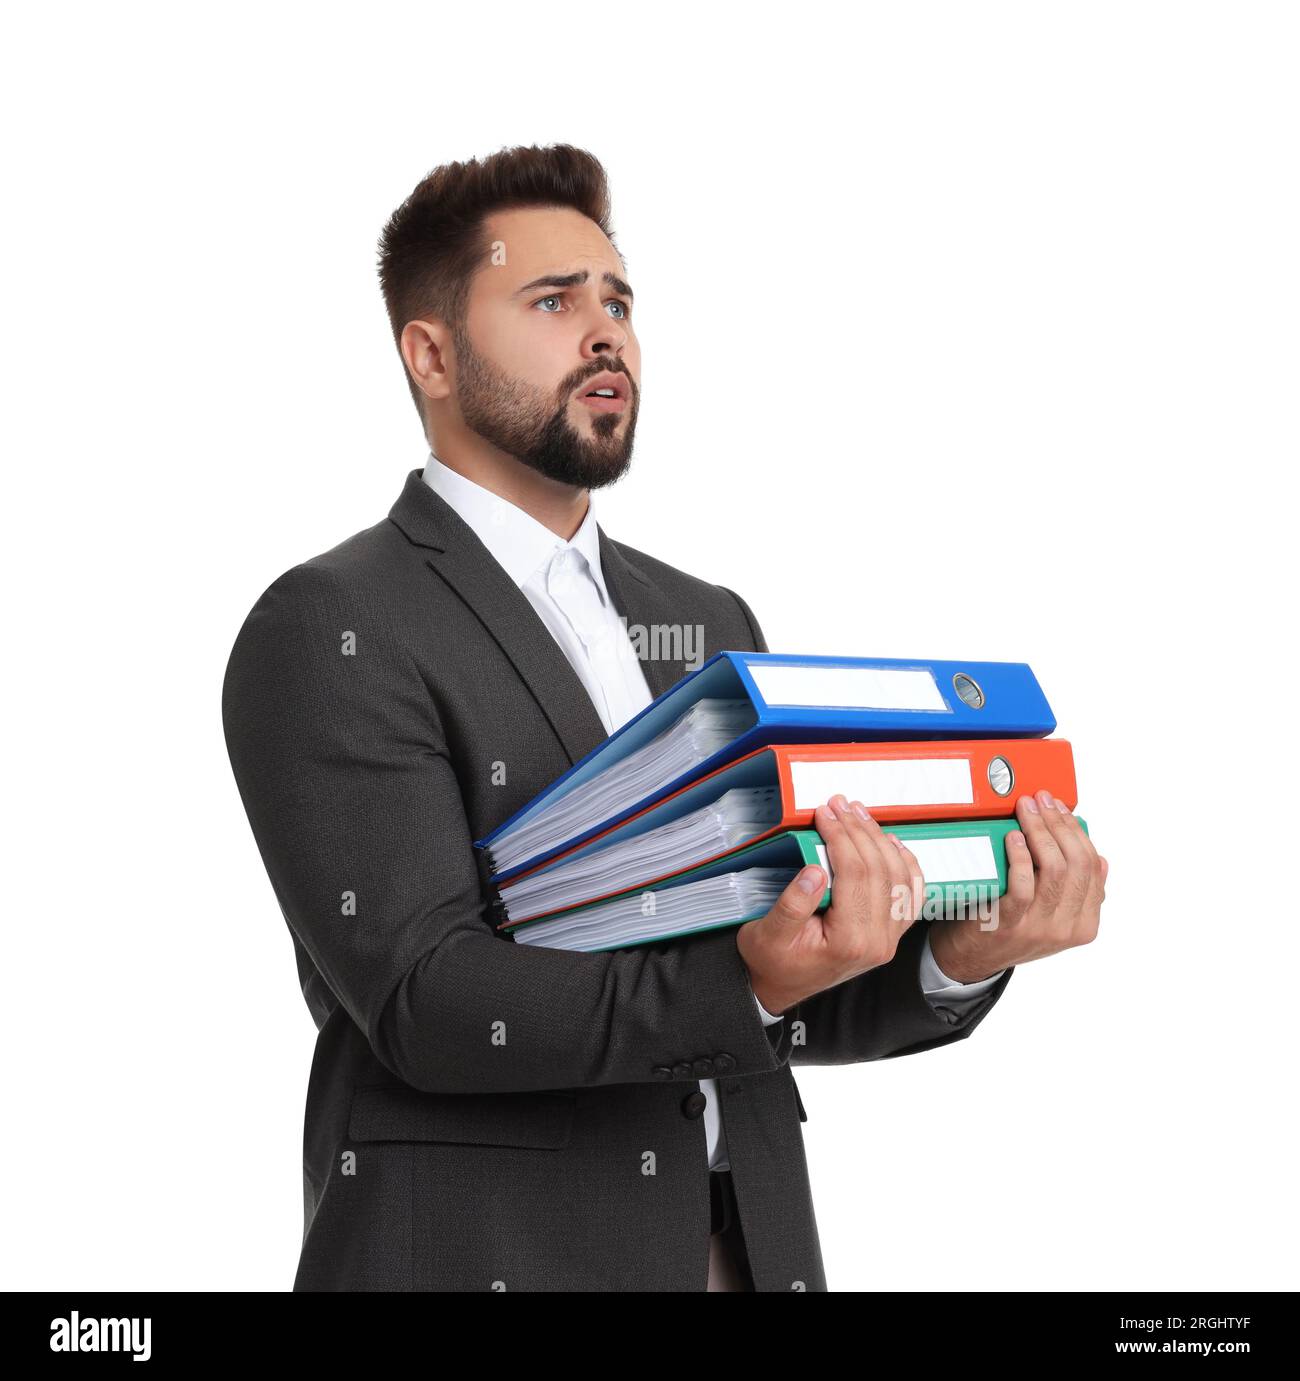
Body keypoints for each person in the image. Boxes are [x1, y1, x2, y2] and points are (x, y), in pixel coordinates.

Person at [221, 143, 1107, 1292]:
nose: (606, 334)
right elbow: (425, 1000)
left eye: (618, 299)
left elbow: (771, 986)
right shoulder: (333, 623)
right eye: (551, 300)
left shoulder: (704, 617)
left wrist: (955, 952)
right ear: (429, 353)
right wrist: (751, 979)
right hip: (491, 1256)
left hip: (748, 1251)